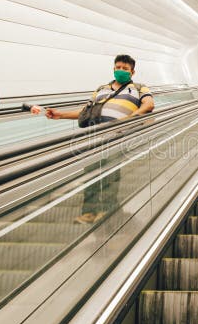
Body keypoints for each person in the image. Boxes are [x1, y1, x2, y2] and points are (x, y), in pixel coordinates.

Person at [34, 55, 154, 223]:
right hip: (95, 135)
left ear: (132, 72)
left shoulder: (140, 87)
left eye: (125, 69)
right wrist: (60, 114)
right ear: (113, 69)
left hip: (118, 135)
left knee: (111, 171)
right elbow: (86, 111)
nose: (121, 70)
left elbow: (148, 105)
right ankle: (88, 212)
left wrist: (127, 120)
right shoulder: (102, 88)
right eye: (118, 67)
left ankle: (107, 210)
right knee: (90, 171)